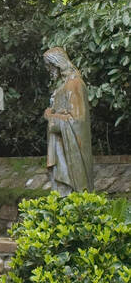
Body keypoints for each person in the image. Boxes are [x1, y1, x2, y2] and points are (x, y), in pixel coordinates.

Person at [43, 47, 94, 194]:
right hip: (62, 148)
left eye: (49, 66)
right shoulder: (65, 85)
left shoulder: (74, 84)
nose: (48, 70)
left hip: (71, 152)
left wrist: (50, 117)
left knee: (71, 194)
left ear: (57, 64)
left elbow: (76, 120)